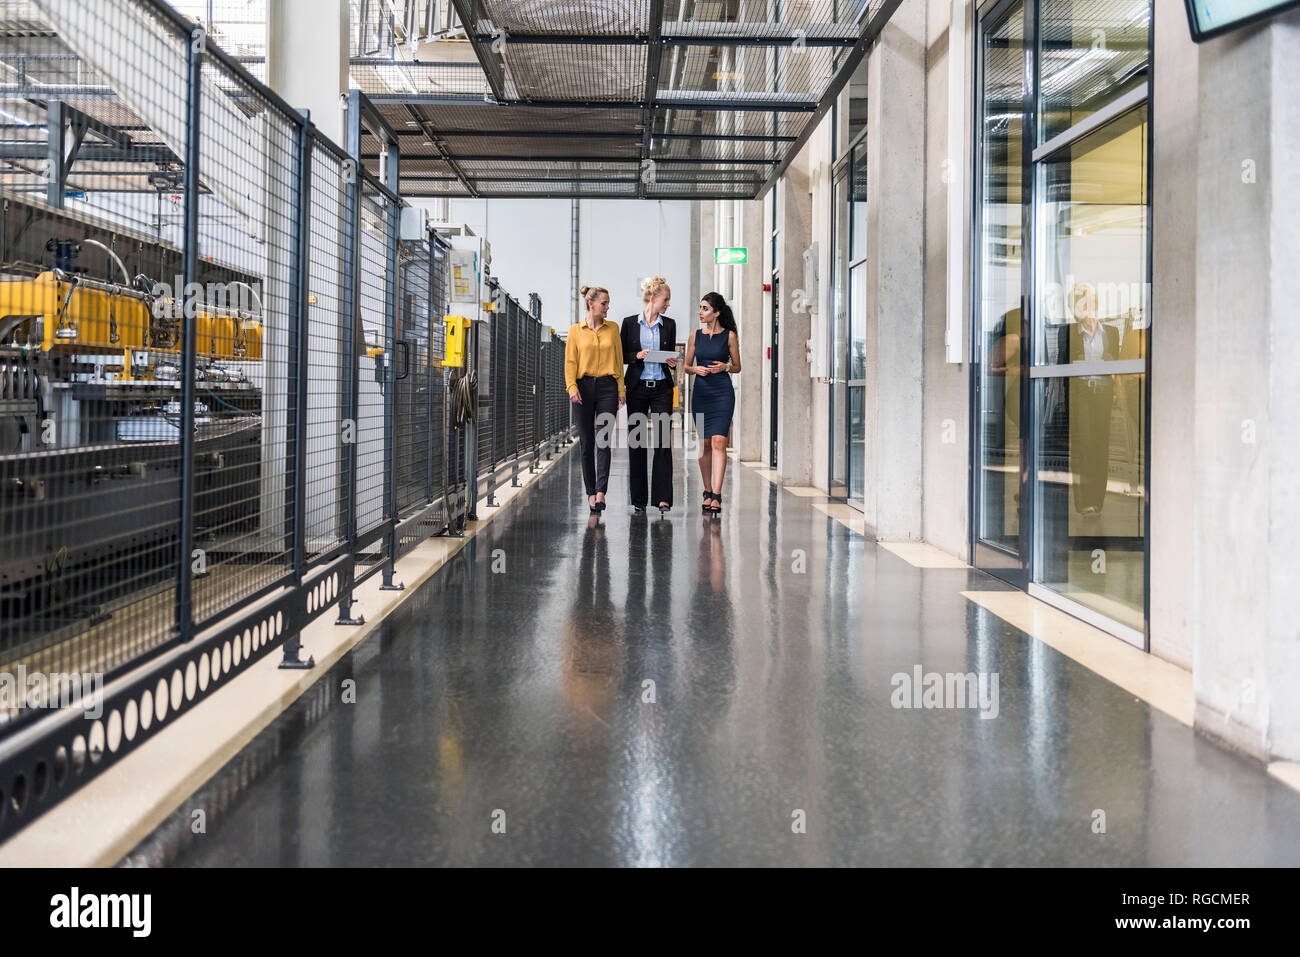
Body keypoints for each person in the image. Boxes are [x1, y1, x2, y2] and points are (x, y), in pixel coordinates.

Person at [1058, 283, 1119, 516]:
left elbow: (1117, 364)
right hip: (1081, 392)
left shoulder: (1111, 332)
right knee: (1083, 446)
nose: (1086, 308)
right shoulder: (1069, 332)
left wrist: (1110, 361)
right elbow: (1060, 366)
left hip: (1103, 394)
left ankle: (1098, 501)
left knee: (1100, 447)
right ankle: (1084, 502)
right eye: (1080, 304)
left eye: (1089, 302)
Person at [620, 276, 678, 515]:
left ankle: (663, 498)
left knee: (663, 442)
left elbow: (669, 356)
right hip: (637, 387)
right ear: (653, 299)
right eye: (665, 300)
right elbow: (623, 355)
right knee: (637, 443)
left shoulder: (669, 324)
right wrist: (638, 355)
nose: (668, 304)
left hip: (662, 387)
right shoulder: (629, 323)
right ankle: (639, 499)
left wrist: (672, 361)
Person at [565, 284, 625, 513]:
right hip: (583, 387)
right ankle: (590, 492)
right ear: (591, 304)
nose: (608, 307)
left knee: (603, 439)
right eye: (604, 303)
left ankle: (601, 492)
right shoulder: (575, 331)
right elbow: (570, 362)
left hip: (609, 387)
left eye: (608, 303)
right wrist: (572, 387)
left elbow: (618, 361)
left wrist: (621, 389)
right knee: (587, 441)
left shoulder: (613, 329)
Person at [684, 291, 741, 516]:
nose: (701, 312)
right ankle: (706, 490)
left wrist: (724, 367)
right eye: (700, 308)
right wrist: (694, 369)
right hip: (701, 393)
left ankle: (716, 494)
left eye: (705, 309)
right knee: (705, 444)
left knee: (719, 441)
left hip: (722, 392)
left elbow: (737, 366)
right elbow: (686, 366)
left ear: (716, 313)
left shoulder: (729, 336)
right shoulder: (694, 336)